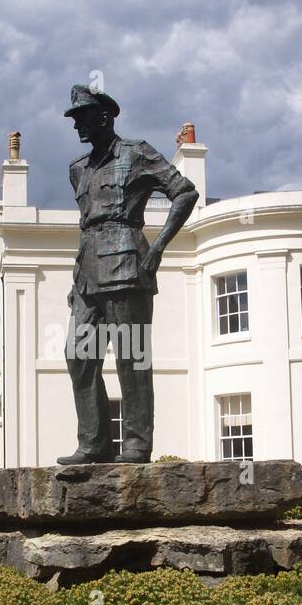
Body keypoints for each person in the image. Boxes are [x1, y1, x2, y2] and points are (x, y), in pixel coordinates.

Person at [57, 84, 198, 464]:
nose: (77, 126)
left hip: (126, 266)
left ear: (105, 116)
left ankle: (136, 443)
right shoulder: (78, 170)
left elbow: (184, 192)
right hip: (88, 274)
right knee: (78, 356)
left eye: (83, 117)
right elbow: (85, 228)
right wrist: (76, 281)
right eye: (74, 119)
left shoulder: (137, 152)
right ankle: (94, 443)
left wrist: (157, 249)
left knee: (130, 357)